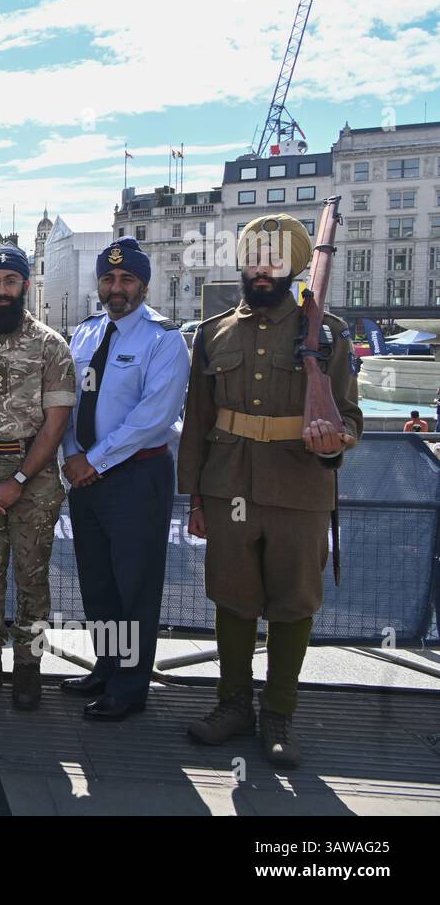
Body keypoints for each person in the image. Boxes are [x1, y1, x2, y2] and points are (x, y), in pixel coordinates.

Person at [179, 213, 362, 767]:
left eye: (275, 261)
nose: (262, 270)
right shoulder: (212, 334)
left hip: (300, 486)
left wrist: (332, 442)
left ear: (295, 267)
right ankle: (233, 704)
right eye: (255, 259)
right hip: (228, 483)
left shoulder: (326, 332)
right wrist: (195, 497)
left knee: (293, 603)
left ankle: (279, 712)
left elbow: (349, 417)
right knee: (232, 598)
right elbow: (199, 419)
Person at [61, 238, 191, 720]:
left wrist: (93, 460)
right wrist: (73, 455)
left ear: (144, 284)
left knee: (135, 585)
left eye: (127, 279)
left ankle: (131, 685)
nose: (116, 288)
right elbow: (68, 405)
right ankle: (107, 663)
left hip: (137, 475)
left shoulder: (163, 339)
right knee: (98, 581)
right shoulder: (86, 335)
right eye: (109, 279)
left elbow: (153, 417)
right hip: (85, 477)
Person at [0, 244, 75, 709]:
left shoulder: (51, 347)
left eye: (11, 282)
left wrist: (20, 480)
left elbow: (56, 422)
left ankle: (28, 666)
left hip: (34, 479)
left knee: (32, 578)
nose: (2, 290)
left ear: (26, 285)